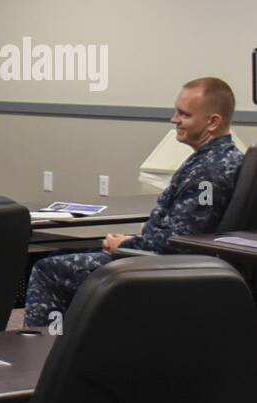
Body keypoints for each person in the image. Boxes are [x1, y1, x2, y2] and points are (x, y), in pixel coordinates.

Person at [24, 77, 245, 327]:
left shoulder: (208, 173)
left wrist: (126, 243)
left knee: (47, 270)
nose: (174, 120)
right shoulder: (223, 158)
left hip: (162, 267)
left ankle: (43, 356)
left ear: (212, 122)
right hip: (167, 260)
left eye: (184, 114)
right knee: (66, 254)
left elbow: (180, 242)